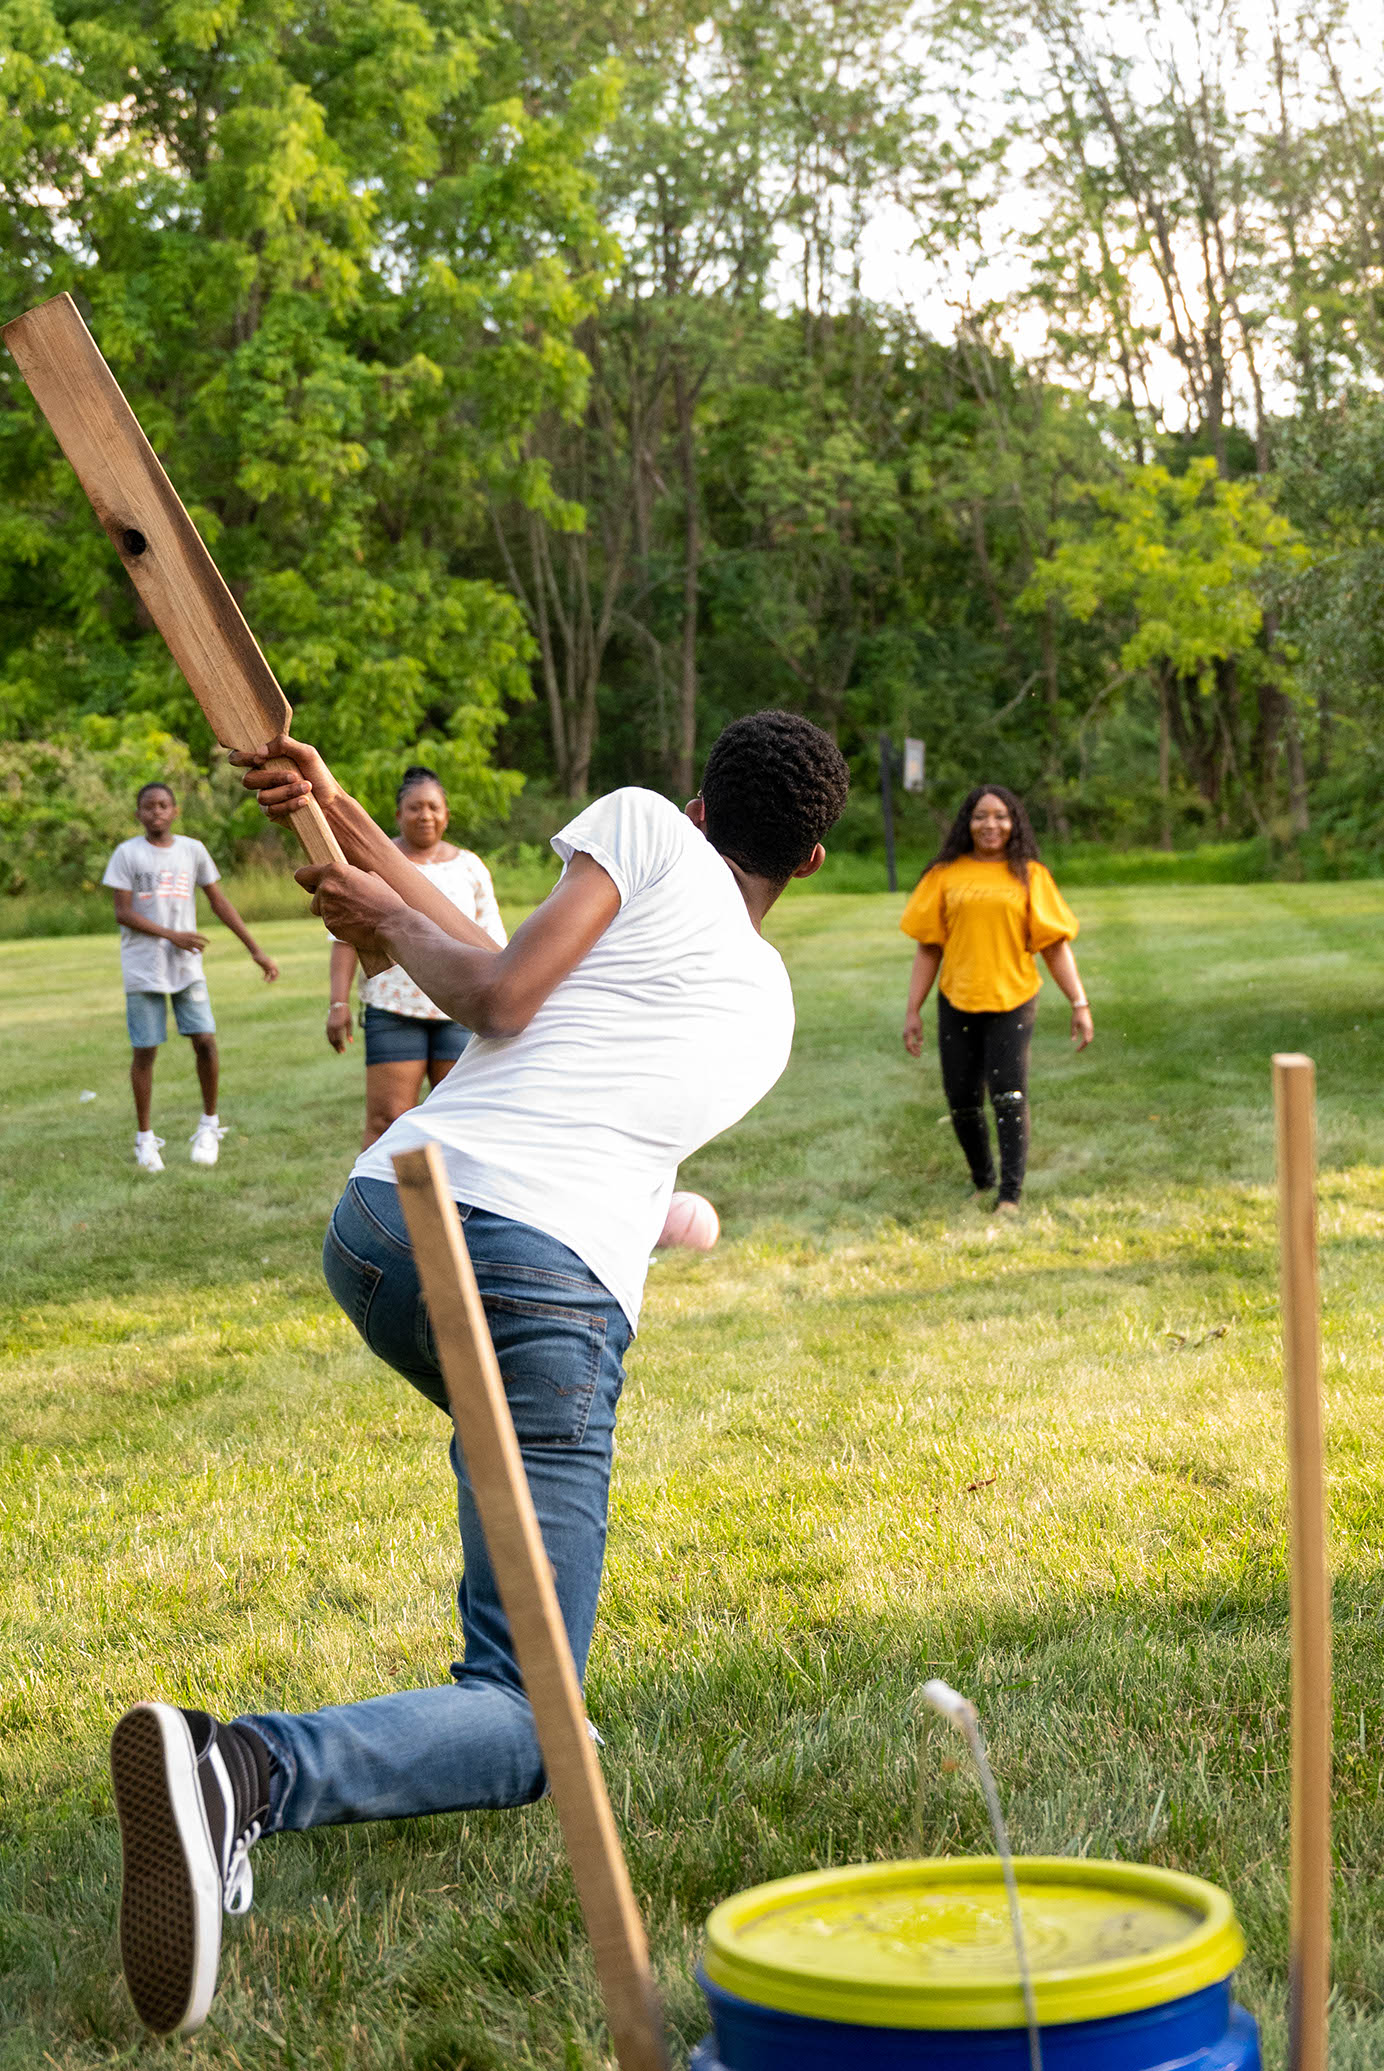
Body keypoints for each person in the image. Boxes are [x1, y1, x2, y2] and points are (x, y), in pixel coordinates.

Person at [105, 709, 851, 2039]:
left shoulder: (639, 844)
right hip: (533, 1284)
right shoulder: (767, 1009)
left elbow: (494, 970)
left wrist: (362, 863)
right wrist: (354, 846)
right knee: (530, 1719)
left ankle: (500, 1704)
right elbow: (500, 990)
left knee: (532, 1660)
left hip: (385, 1228)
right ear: (805, 857)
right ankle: (240, 1768)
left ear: (690, 795)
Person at [900, 783, 1093, 1215]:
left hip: (1013, 999)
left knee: (1009, 1096)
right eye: (981, 816)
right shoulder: (945, 875)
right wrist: (913, 1009)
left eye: (1001, 816)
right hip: (958, 1000)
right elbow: (929, 946)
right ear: (967, 823)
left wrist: (1079, 1003)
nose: (991, 824)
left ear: (1014, 823)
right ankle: (983, 1179)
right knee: (962, 1099)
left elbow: (1054, 945)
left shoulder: (1030, 875)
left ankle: (1010, 1194)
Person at [102, 782, 279, 1172]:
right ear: (138, 814)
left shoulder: (192, 850)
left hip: (186, 969)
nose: (156, 813)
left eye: (164, 805)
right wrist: (173, 935)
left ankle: (209, 1125)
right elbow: (122, 913)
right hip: (144, 968)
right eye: (148, 807)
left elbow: (219, 902)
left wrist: (256, 950)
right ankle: (145, 1140)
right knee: (146, 1050)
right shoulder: (127, 854)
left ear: (175, 811)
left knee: (205, 1042)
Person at [327, 765, 507, 1144]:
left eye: (433, 807)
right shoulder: (370, 862)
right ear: (398, 815)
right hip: (394, 1010)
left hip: (459, 1010)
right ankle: (382, 1201)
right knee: (388, 1120)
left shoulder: (470, 866)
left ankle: (452, 1204)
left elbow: (492, 939)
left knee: (460, 1123)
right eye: (415, 808)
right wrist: (337, 1003)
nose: (425, 815)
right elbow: (344, 937)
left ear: (446, 815)